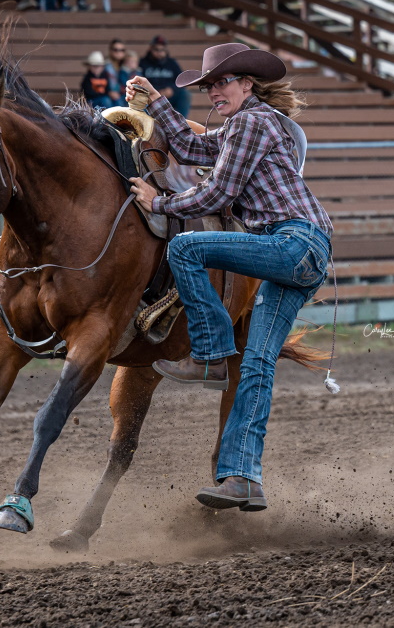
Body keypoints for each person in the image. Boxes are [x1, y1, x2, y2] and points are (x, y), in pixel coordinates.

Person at [125, 43, 333, 512]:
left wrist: (157, 204)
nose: (213, 92)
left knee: (185, 246)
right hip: (301, 252)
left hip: (291, 243)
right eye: (208, 86)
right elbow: (192, 146)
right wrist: (157, 100)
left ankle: (212, 354)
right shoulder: (247, 125)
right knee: (257, 365)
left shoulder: (251, 122)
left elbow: (218, 191)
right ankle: (243, 479)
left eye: (222, 82)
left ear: (247, 84)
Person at [139, 35, 190, 117]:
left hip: (169, 95)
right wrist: (154, 91)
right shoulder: (142, 63)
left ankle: (182, 122)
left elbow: (181, 81)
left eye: (162, 50)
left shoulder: (172, 63)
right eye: (156, 49)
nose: (159, 52)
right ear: (151, 49)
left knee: (184, 94)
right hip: (149, 95)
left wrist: (171, 89)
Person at [103, 38, 128, 105]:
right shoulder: (105, 66)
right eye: (115, 50)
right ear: (110, 51)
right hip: (109, 96)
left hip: (124, 94)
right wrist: (108, 92)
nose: (118, 53)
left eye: (122, 50)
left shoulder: (126, 66)